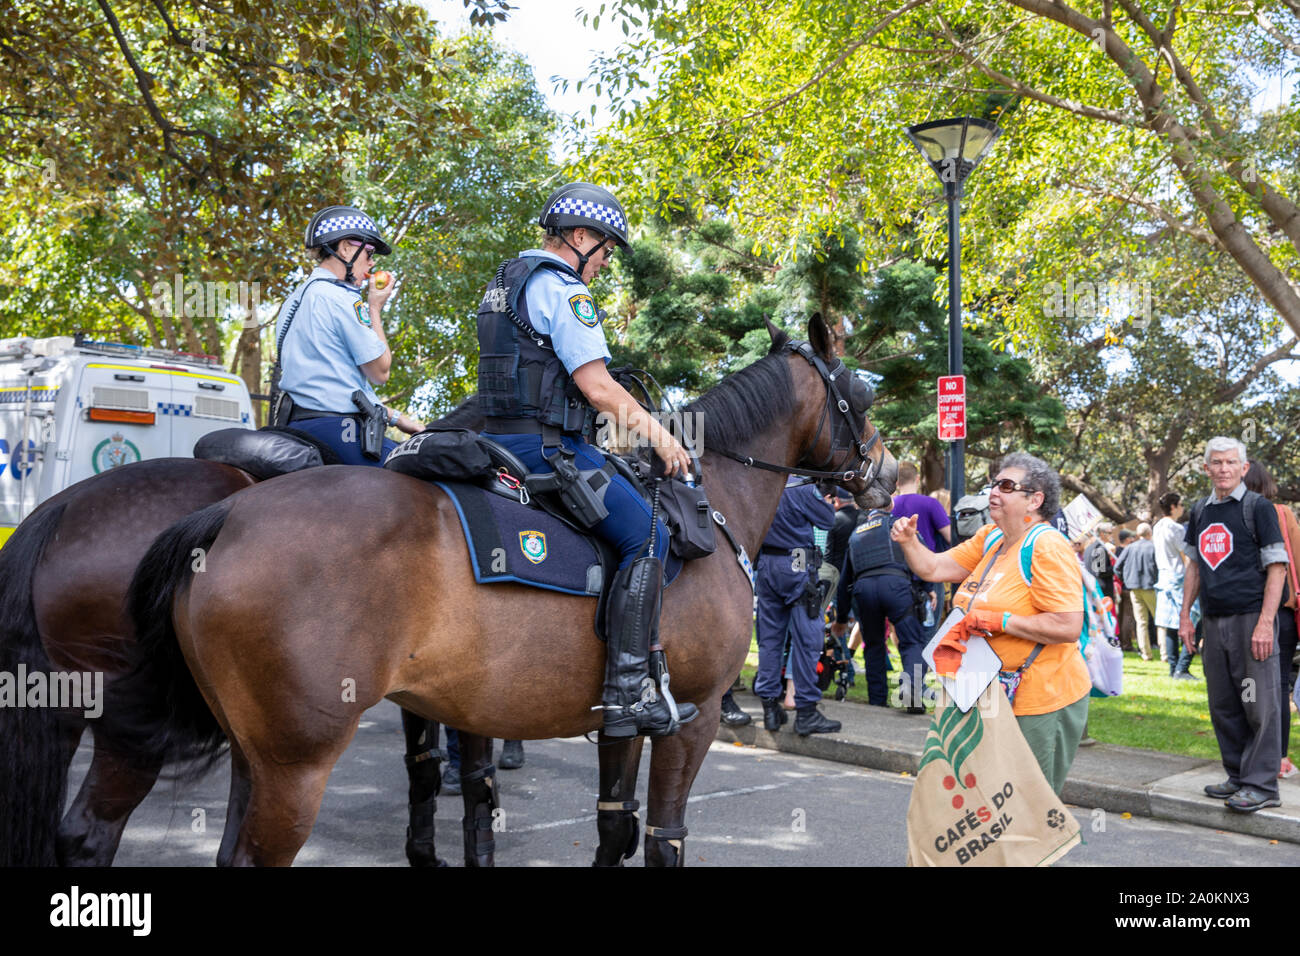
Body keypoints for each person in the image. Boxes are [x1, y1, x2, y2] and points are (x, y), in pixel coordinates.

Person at [475, 182, 697, 739]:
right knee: (649, 535)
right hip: (546, 448)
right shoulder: (563, 288)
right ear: (578, 238)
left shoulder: (504, 281)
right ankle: (627, 695)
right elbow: (597, 387)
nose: (602, 264)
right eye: (603, 250)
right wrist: (663, 437)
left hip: (494, 439)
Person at [891, 451, 1089, 796]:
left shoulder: (1046, 546)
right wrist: (910, 541)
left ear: (1035, 500)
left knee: (1028, 807)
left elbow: (1067, 625)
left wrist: (1001, 620)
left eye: (1007, 486)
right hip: (987, 694)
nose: (994, 492)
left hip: (1038, 700)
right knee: (988, 803)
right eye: (994, 483)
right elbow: (934, 568)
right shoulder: (991, 538)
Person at [1180, 437, 1287, 813]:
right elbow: (1193, 567)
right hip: (1213, 622)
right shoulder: (1199, 511)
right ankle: (1238, 776)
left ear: (1243, 468)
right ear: (1206, 468)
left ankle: (1262, 786)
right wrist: (1185, 618)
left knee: (1256, 702)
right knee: (1224, 703)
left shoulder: (1259, 509)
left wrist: (1265, 624)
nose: (1223, 469)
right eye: (1216, 462)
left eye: (1231, 463)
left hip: (1250, 622)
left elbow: (1278, 569)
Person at [276, 205, 424, 460]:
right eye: (368, 251)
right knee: (429, 475)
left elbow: (332, 384)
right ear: (345, 248)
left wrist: (396, 417)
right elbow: (380, 372)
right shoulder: (340, 297)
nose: (372, 261)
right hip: (339, 431)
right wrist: (375, 308)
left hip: (295, 428)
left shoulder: (293, 300)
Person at [754, 478, 840, 735]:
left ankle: (770, 709)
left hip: (767, 565)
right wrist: (825, 501)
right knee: (807, 639)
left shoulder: (764, 484)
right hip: (798, 563)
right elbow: (827, 520)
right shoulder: (801, 489)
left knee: (769, 640)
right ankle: (806, 711)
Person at [832, 498, 929, 712]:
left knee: (874, 645)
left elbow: (845, 580)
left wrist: (840, 619)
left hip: (864, 591)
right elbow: (924, 559)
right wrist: (928, 588)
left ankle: (877, 701)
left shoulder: (855, 535)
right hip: (896, 587)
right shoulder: (900, 526)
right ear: (890, 506)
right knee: (911, 642)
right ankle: (912, 692)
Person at [1241, 460, 1299, 779]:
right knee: (1276, 687)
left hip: (1245, 611)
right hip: (1282, 613)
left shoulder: (1231, 514)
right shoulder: (1282, 513)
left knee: (1246, 684)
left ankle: (1251, 754)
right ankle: (1278, 759)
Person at [891, 462, 951, 638]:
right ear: (917, 478)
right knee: (928, 631)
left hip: (898, 576)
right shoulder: (930, 504)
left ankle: (912, 666)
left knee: (907, 635)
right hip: (927, 574)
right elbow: (950, 537)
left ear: (895, 483)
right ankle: (920, 666)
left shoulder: (890, 506)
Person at [1153, 493, 1196, 678]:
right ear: (1172, 507)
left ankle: (1173, 668)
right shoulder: (1176, 528)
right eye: (1180, 504)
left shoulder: (1157, 527)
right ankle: (1182, 667)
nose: (1183, 508)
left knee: (1169, 624)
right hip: (1179, 577)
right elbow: (1186, 555)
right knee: (1193, 618)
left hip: (1163, 576)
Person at [1115, 522, 1159, 660]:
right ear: (1149, 533)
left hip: (1134, 587)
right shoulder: (1153, 547)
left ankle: (1145, 653)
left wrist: (1126, 580)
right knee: (1159, 620)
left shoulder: (1130, 548)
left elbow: (1117, 567)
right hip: (1150, 587)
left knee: (1141, 622)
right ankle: (1165, 652)